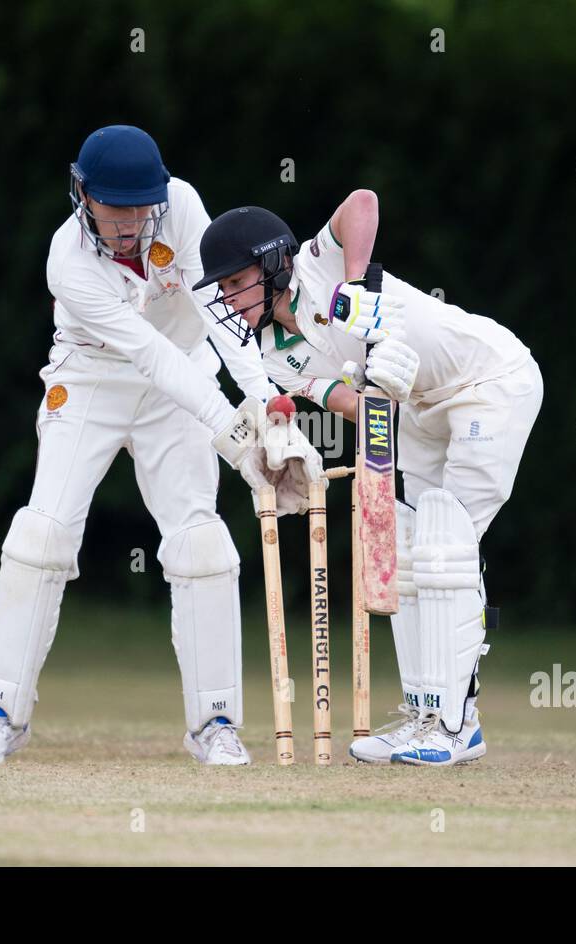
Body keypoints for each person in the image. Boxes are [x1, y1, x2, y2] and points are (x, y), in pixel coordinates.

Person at [0, 126, 321, 766]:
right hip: (90, 375)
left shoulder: (179, 206)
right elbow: (146, 354)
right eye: (114, 209)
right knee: (43, 534)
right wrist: (239, 443)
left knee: (202, 541)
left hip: (182, 375)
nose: (130, 224)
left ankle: (215, 724)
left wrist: (269, 415)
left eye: (139, 207)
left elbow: (221, 317)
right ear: (83, 196)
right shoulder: (68, 260)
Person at [192, 194, 542, 766]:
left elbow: (363, 203)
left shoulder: (315, 263)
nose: (229, 299)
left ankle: (454, 727)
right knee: (407, 551)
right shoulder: (275, 357)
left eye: (235, 282)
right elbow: (359, 409)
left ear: (273, 262)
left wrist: (355, 285)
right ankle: (432, 715)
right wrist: (385, 386)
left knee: (445, 545)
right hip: (417, 409)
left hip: (490, 381)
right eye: (223, 289)